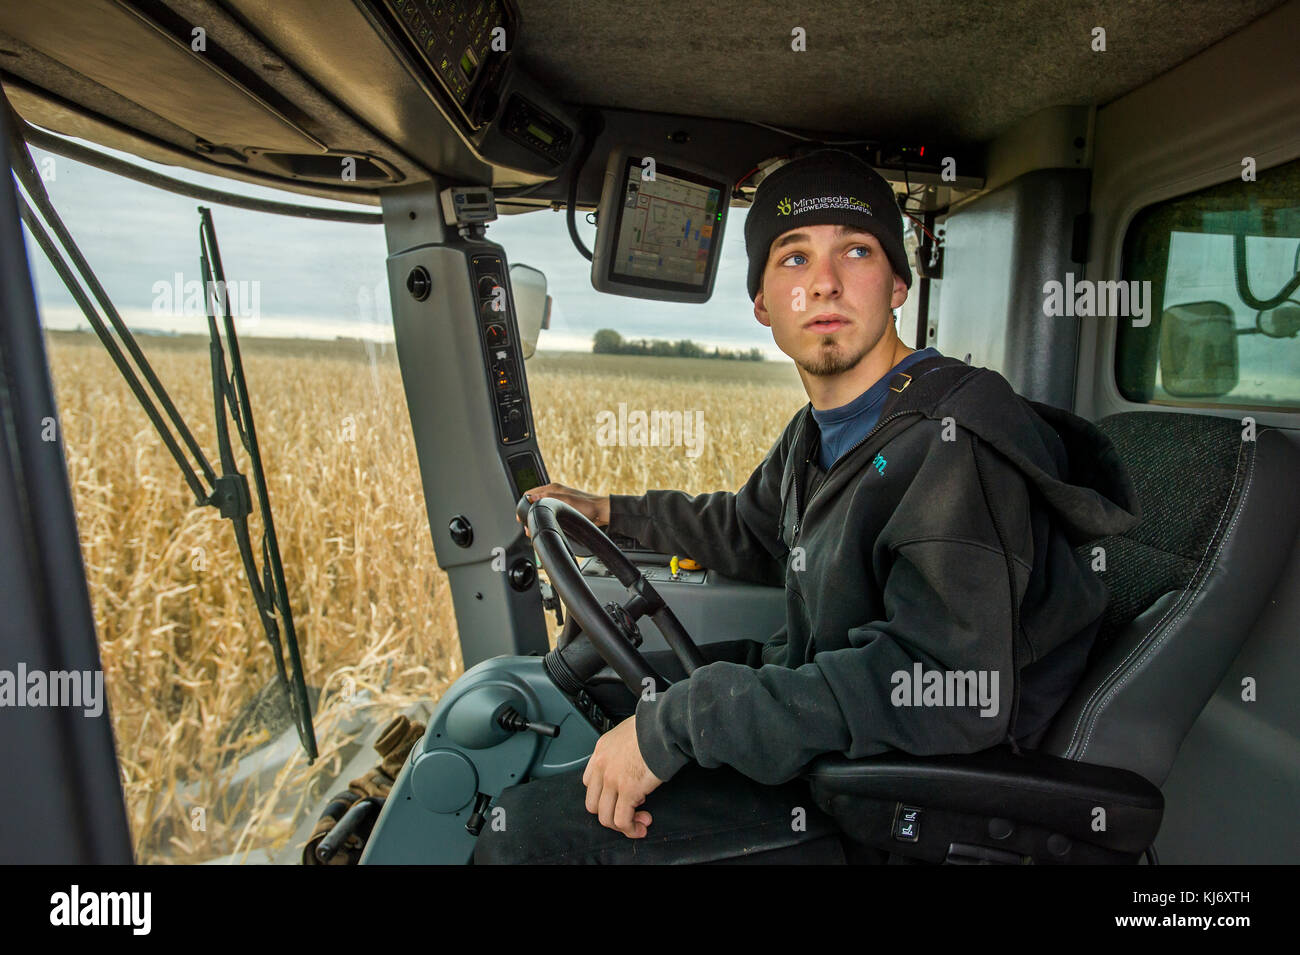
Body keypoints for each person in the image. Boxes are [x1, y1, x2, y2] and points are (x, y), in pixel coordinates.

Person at [474, 148, 1141, 864]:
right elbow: (747, 526)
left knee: (526, 836)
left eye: (855, 251)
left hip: (893, 809)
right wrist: (609, 510)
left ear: (897, 285)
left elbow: (946, 689)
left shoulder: (955, 447)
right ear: (762, 303)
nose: (824, 284)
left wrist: (685, 721)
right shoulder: (821, 434)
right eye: (793, 258)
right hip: (835, 759)